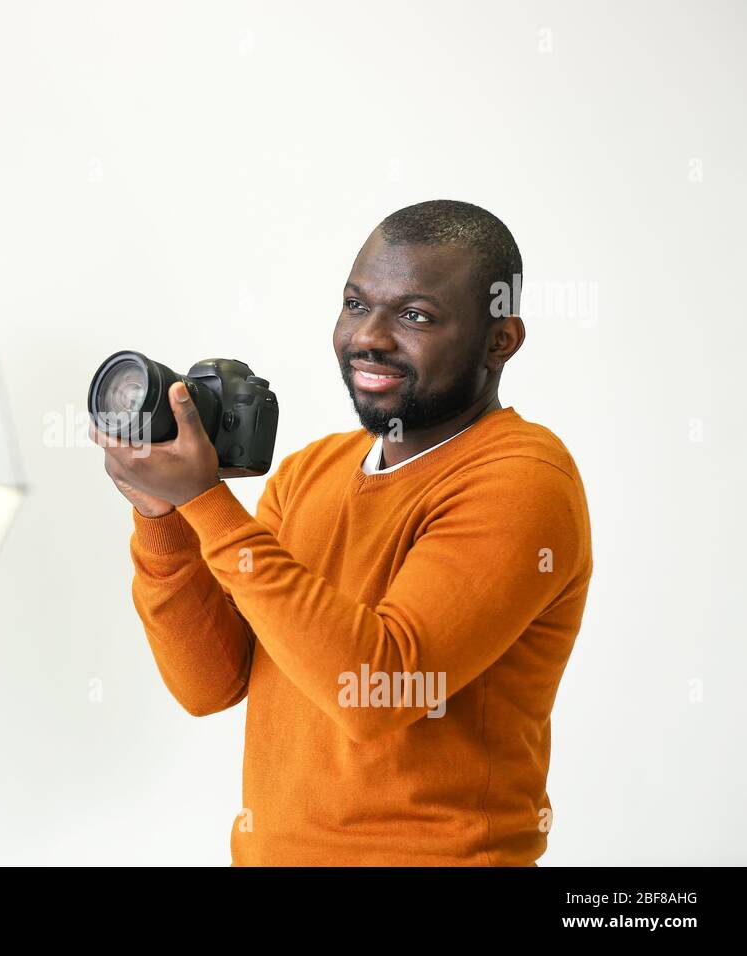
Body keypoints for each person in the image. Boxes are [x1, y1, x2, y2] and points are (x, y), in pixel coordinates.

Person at [92, 200, 592, 865]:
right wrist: (162, 517)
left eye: (415, 315)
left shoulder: (523, 479)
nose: (370, 338)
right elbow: (209, 683)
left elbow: (376, 686)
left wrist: (207, 504)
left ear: (501, 340)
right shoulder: (310, 472)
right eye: (357, 306)